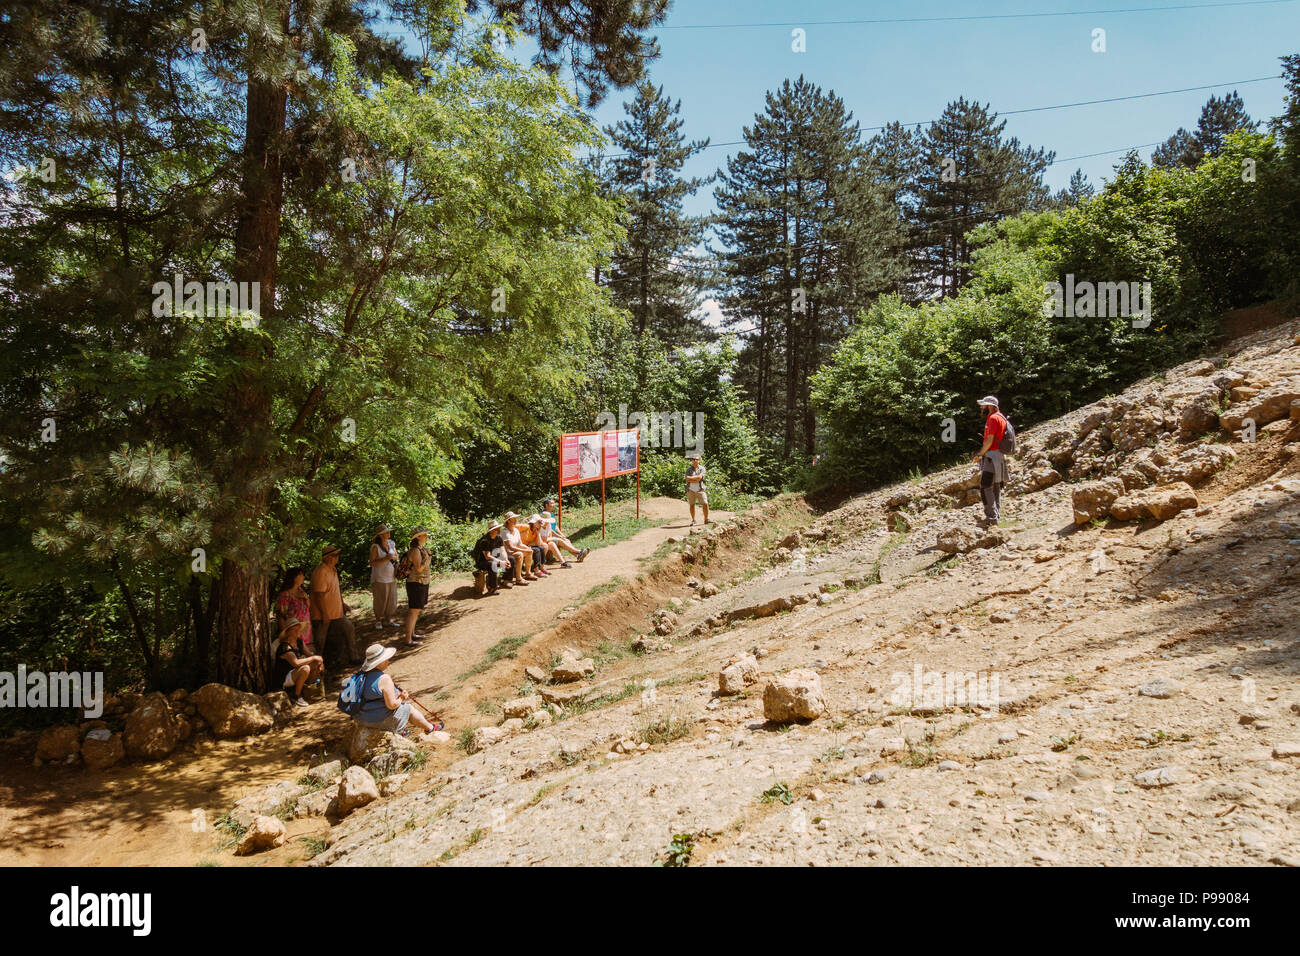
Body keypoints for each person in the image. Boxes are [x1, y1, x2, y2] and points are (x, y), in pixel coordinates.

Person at [353, 644, 437, 736]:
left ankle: (401, 732)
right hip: (378, 720)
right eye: (386, 659)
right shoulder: (384, 678)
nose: (388, 661)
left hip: (362, 719)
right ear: (380, 662)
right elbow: (392, 705)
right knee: (407, 708)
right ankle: (430, 728)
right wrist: (401, 698)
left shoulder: (361, 676)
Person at [310, 546, 361, 666]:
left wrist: (342, 603)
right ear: (327, 558)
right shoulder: (321, 572)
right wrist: (325, 614)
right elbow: (319, 595)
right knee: (320, 641)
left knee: (348, 628)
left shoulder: (332, 569)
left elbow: (336, 590)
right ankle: (318, 667)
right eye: (335, 555)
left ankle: (353, 657)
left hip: (336, 613)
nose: (337, 557)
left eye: (337, 555)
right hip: (322, 615)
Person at [973, 395, 1010, 526]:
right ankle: (996, 515)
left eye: (983, 405)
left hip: (991, 456)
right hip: (998, 456)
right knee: (995, 487)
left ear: (990, 406)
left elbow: (989, 440)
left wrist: (980, 454)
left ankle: (991, 517)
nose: (982, 407)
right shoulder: (1001, 417)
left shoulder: (993, 418)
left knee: (985, 486)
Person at [271, 619, 324, 707]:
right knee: (305, 668)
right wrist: (313, 657)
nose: (298, 632)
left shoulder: (299, 642)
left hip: (295, 672)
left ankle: (311, 690)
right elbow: (296, 663)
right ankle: (297, 696)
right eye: (295, 630)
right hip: (285, 677)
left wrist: (318, 661)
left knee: (316, 663)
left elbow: (309, 654)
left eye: (298, 629)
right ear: (288, 632)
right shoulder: (285, 647)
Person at [274, 567, 315, 655]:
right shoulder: (284, 595)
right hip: (293, 632)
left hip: (305, 630)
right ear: (294, 577)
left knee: (307, 653)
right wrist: (284, 635)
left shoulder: (301, 591)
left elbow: (308, 607)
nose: (303, 577)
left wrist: (306, 598)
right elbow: (280, 615)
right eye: (301, 575)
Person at [401, 528, 431, 647]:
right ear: (417, 537)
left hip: (420, 582)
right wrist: (428, 557)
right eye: (424, 535)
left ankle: (412, 634)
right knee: (413, 611)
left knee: (416, 610)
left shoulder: (420, 549)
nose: (426, 536)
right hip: (415, 583)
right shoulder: (415, 551)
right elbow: (419, 568)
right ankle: (408, 639)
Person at [369, 524, 400, 628]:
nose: (388, 533)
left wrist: (393, 557)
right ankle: (378, 621)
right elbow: (372, 563)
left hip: (391, 576)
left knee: (391, 599)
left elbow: (396, 556)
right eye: (386, 532)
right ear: (381, 535)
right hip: (380, 578)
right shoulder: (375, 547)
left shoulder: (391, 543)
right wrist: (385, 558)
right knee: (380, 600)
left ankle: (388, 620)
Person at [501, 512, 536, 584]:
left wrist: (527, 548)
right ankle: (518, 578)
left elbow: (520, 544)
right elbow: (511, 547)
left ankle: (528, 573)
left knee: (529, 551)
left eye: (516, 518)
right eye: (514, 519)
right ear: (508, 521)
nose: (516, 520)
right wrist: (523, 549)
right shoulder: (504, 532)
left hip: (514, 551)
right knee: (520, 554)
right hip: (506, 554)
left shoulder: (516, 530)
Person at [473, 521, 507, 595]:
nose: (499, 530)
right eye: (497, 529)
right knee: (493, 564)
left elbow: (503, 550)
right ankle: (492, 588)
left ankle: (506, 581)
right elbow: (487, 557)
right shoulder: (485, 540)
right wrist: (500, 562)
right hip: (482, 561)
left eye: (499, 528)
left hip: (493, 559)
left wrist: (506, 560)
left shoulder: (498, 538)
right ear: (492, 530)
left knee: (511, 559)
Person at [685, 454, 710, 525]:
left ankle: (706, 519)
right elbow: (687, 479)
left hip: (700, 489)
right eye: (693, 459)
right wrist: (696, 478)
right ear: (692, 461)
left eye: (696, 459)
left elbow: (700, 478)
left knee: (705, 503)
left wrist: (692, 478)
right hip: (690, 490)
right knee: (692, 505)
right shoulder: (688, 469)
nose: (695, 460)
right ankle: (693, 520)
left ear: (699, 460)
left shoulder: (702, 468)